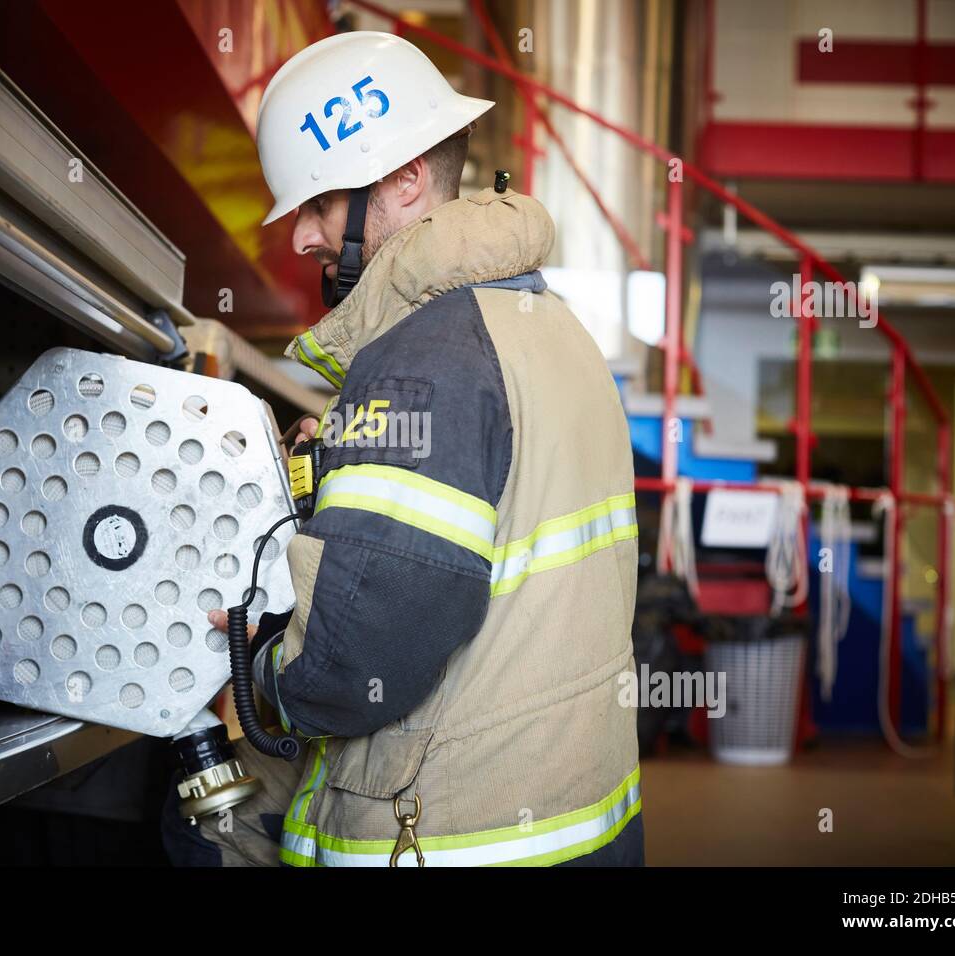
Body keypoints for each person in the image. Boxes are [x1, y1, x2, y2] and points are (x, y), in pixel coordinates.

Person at [162, 30, 642, 867]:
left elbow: (360, 651)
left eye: (316, 205)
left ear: (406, 180)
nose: (303, 237)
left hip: (455, 835)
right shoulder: (544, 322)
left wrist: (261, 664)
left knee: (193, 823)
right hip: (575, 817)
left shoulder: (424, 353)